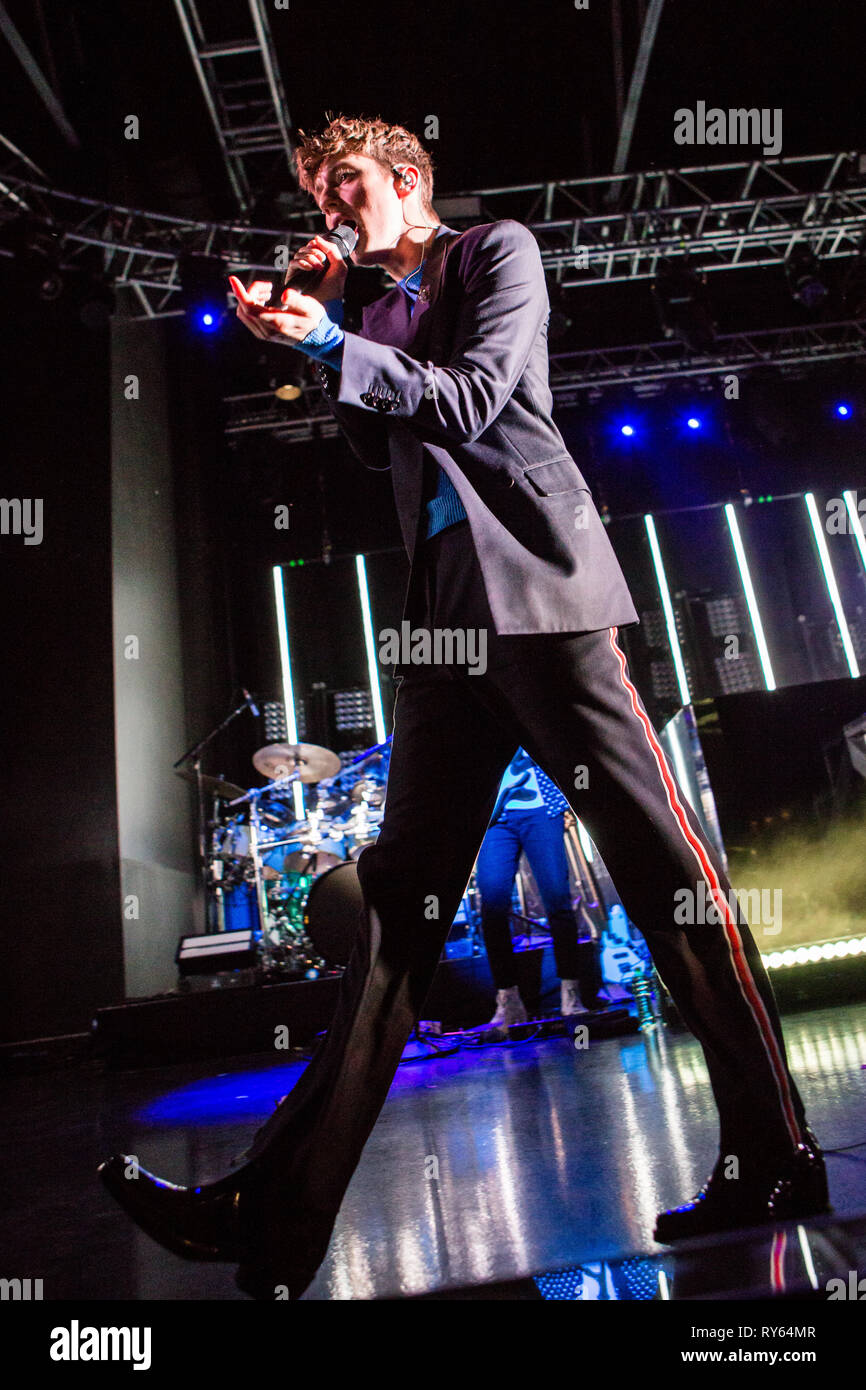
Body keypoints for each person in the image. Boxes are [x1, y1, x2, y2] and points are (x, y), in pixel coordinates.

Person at [99, 115, 828, 1300]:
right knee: (394, 917)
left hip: (544, 605)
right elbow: (363, 434)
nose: (331, 204)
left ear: (406, 180)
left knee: (666, 880)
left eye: (346, 183)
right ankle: (267, 1217)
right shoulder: (372, 305)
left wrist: (341, 330)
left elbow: (480, 396)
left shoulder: (496, 250)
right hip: (445, 630)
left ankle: (775, 1153)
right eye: (318, 191)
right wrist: (322, 334)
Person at [474, 748, 605, 1032]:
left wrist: (571, 800)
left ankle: (570, 991)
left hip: (540, 807)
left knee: (557, 898)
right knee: (492, 904)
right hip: (492, 815)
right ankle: (507, 998)